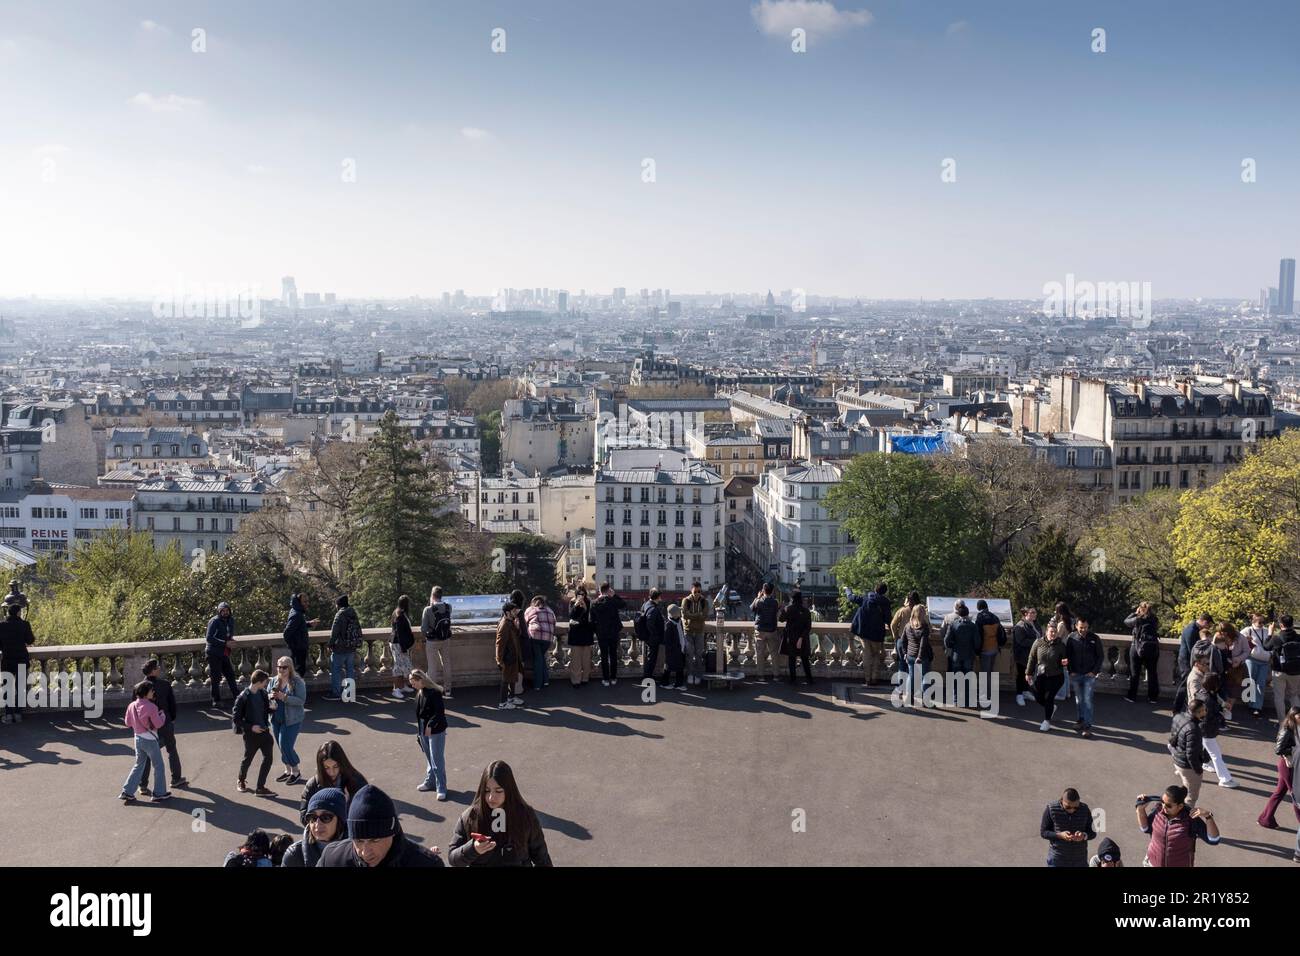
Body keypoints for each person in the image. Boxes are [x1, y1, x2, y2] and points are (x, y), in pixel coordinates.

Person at [448, 760, 552, 866]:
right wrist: (473, 849)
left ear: (509, 790)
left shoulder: (525, 816)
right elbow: (453, 858)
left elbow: (541, 858)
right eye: (487, 790)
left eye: (498, 791)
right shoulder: (470, 817)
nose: (491, 797)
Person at [316, 784, 444, 867]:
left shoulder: (427, 864)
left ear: (392, 832)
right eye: (359, 841)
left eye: (374, 840)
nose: (365, 852)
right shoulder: (332, 859)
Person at [1136, 786, 1220, 867]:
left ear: (1180, 806)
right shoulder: (1157, 812)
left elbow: (1213, 840)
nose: (1164, 807)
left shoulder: (1190, 819)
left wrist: (1208, 817)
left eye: (1169, 805)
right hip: (1152, 863)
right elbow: (1145, 829)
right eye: (1162, 802)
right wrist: (1140, 809)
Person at [118, 680, 171, 803]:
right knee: (158, 766)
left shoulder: (131, 705)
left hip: (138, 738)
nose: (153, 692)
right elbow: (158, 724)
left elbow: (127, 723)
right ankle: (159, 793)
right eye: (152, 690)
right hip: (150, 739)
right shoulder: (152, 707)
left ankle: (127, 791)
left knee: (139, 765)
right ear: (146, 692)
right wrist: (162, 715)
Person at [137, 660, 186, 794]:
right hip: (164, 723)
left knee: (146, 755)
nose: (159, 668)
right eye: (157, 667)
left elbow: (135, 708)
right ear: (153, 671)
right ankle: (176, 778)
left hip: (146, 727)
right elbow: (172, 705)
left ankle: (142, 785)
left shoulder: (138, 687)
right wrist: (172, 719)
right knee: (171, 749)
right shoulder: (164, 685)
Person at [233, 669, 276, 797]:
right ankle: (241, 780)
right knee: (248, 759)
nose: (266, 685)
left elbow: (265, 710)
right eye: (265, 682)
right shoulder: (243, 697)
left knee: (268, 759)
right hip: (251, 735)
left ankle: (260, 787)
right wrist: (251, 727)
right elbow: (236, 719)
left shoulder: (262, 693)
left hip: (264, 732)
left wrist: (272, 709)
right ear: (259, 682)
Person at [1258, 706, 1300, 833]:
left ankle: (1265, 819)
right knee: (1296, 795)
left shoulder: (1296, 727)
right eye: (1299, 715)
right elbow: (1278, 749)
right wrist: (1292, 751)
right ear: (1292, 716)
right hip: (1287, 765)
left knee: (1279, 792)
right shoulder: (1287, 729)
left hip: (1293, 764)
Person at [283, 787, 347, 867]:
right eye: (312, 817)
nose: (317, 824)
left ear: (340, 820)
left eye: (326, 817)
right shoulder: (294, 854)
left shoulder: (360, 850)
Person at [409, 668, 448, 799]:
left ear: (421, 680)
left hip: (435, 729)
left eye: (413, 682)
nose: (412, 686)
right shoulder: (420, 692)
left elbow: (439, 712)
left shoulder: (434, 693)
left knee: (437, 759)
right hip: (422, 728)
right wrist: (419, 733)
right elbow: (419, 714)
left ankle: (441, 787)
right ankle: (430, 782)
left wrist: (430, 725)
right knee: (429, 758)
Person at [268, 656, 306, 785]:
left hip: (292, 719)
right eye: (279, 667)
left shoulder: (297, 682)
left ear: (290, 668)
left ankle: (296, 771)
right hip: (275, 718)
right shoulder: (273, 680)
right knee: (281, 746)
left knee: (285, 745)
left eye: (284, 667)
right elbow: (266, 694)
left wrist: (285, 697)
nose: (281, 669)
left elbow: (301, 700)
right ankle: (287, 770)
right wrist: (270, 696)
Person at [1196, 673, 1238, 789]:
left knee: (1199, 749)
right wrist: (1222, 713)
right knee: (1216, 755)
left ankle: (1185, 767)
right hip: (1207, 729)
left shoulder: (1202, 693)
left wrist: (1221, 707)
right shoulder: (1209, 699)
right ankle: (1225, 779)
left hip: (1202, 728)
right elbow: (1210, 716)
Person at [300, 740, 368, 812]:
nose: (332, 772)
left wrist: (346, 805)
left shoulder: (357, 781)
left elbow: (365, 814)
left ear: (342, 763)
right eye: (326, 768)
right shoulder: (313, 785)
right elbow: (304, 815)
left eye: (335, 766)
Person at [1025, 620, 1069, 732]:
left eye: (1055, 632)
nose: (1053, 634)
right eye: (1051, 631)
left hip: (1056, 676)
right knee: (1038, 698)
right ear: (1046, 632)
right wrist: (1028, 673)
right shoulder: (1038, 642)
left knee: (1049, 698)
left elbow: (1065, 659)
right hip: (1041, 675)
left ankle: (1046, 721)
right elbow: (1032, 658)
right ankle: (1051, 708)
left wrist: (1064, 662)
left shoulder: (1061, 645)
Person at [1066, 613, 1104, 739]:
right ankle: (1080, 720)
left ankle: (1087, 727)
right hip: (1076, 674)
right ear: (1076, 626)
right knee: (1079, 700)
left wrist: (1094, 672)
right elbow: (1067, 656)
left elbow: (1100, 657)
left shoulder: (1095, 638)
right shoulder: (1071, 638)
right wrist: (1070, 670)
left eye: (1086, 627)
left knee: (1087, 700)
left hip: (1089, 675)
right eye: (1081, 627)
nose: (1083, 630)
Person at [1040, 787, 1097, 867]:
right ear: (1061, 800)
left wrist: (1083, 836)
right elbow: (1044, 832)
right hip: (1058, 859)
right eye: (1068, 807)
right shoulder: (1051, 809)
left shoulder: (1084, 809)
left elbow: (1093, 833)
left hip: (1079, 859)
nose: (1072, 810)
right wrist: (1059, 835)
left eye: (1076, 807)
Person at [847, 583, 890, 686]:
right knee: (876, 656)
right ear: (885, 592)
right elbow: (888, 619)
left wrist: (848, 590)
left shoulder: (866, 599)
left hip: (865, 633)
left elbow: (851, 598)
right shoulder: (885, 602)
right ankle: (874, 678)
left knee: (866, 656)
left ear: (875, 589)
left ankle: (867, 679)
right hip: (878, 634)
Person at [1169, 698, 1208, 807]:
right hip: (1187, 766)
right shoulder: (1194, 729)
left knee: (1186, 786)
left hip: (1177, 759)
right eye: (1204, 710)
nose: (1206, 711)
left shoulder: (1178, 716)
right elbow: (1191, 755)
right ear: (1198, 712)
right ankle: (1185, 819)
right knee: (1191, 796)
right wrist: (1198, 770)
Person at [0, 602, 34, 723]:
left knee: (7, 688)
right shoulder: (24, 624)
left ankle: (9, 714)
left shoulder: (2, 625)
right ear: (19, 612)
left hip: (7, 661)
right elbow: (30, 640)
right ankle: (18, 713)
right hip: (21, 659)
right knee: (20, 688)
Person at [326, 595, 362, 701]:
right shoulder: (352, 613)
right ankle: (349, 693)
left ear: (339, 604)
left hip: (340, 647)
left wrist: (330, 644)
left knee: (336, 670)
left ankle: (336, 693)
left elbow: (334, 632)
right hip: (351, 646)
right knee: (350, 670)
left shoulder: (339, 614)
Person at [1123, 602, 1161, 703]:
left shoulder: (1138, 619)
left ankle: (1132, 696)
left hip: (1137, 648)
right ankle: (1152, 697)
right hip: (1153, 649)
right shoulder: (1154, 619)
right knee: (1152, 673)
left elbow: (1126, 621)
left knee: (1135, 673)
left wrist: (1135, 613)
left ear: (1140, 608)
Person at [590, 582, 626, 686]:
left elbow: (592, 620)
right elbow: (623, 604)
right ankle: (613, 678)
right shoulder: (613, 601)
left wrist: (596, 631)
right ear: (609, 590)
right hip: (613, 632)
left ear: (599, 591)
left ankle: (606, 679)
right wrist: (614, 595)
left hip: (602, 633)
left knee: (604, 656)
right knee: (613, 655)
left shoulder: (595, 603)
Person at [420, 585, 454, 697]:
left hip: (432, 641)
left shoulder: (428, 610)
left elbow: (424, 629)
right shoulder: (448, 607)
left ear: (432, 596)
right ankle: (448, 690)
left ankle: (431, 690)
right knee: (447, 664)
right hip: (445, 639)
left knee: (432, 667)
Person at [205, 600, 239, 708]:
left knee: (230, 675)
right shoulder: (214, 621)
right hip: (214, 653)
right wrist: (225, 643)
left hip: (224, 653)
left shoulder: (231, 621)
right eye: (222, 611)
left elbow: (228, 634)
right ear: (219, 612)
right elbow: (209, 638)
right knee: (216, 678)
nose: (225, 612)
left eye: (227, 610)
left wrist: (231, 640)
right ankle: (216, 700)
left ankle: (238, 697)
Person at [1267, 615, 1300, 724]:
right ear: (1292, 624)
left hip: (1279, 671)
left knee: (1279, 697)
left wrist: (1269, 633)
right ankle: (1297, 721)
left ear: (1281, 625)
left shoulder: (1277, 638)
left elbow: (1266, 647)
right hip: (1296, 671)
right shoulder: (1298, 637)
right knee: (1294, 695)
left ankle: (1282, 722)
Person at [282, 593, 319, 685]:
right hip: (298, 650)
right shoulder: (297, 614)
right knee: (298, 674)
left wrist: (309, 624)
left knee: (297, 674)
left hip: (299, 648)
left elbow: (298, 625)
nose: (307, 603)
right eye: (304, 602)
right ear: (299, 602)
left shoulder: (296, 611)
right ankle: (296, 695)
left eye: (308, 601)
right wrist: (294, 646)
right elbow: (286, 633)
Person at [495, 596, 525, 710]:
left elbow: (515, 636)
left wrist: (517, 627)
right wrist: (499, 660)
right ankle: (502, 703)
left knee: (512, 677)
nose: (515, 612)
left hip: (512, 655)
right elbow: (499, 644)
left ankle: (511, 698)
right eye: (513, 611)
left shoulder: (510, 622)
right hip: (507, 657)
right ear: (507, 612)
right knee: (505, 680)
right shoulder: (504, 625)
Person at [1241, 612, 1273, 720]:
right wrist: (1247, 641)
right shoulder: (1247, 630)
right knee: (1251, 682)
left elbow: (1271, 643)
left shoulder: (1266, 631)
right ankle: (1250, 704)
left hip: (1264, 660)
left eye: (1263, 622)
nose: (1262, 624)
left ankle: (1257, 707)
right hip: (1252, 659)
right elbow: (1239, 641)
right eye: (1260, 622)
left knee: (1261, 684)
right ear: (1253, 621)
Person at [899, 604, 933, 706]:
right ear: (922, 614)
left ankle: (909, 698)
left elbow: (903, 641)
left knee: (911, 676)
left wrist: (905, 653)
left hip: (910, 655)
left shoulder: (908, 625)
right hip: (922, 657)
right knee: (925, 677)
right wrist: (920, 657)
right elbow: (923, 644)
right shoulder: (924, 627)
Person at [779, 590, 814, 686]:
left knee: (792, 659)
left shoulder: (788, 609)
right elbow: (808, 627)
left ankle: (793, 679)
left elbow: (781, 619)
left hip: (791, 637)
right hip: (803, 638)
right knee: (805, 659)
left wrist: (782, 609)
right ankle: (809, 679)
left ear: (792, 599)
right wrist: (801, 638)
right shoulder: (806, 611)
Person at [1215, 622, 1248, 720]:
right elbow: (1214, 647)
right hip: (1223, 666)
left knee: (1234, 690)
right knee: (1222, 689)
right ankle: (1221, 711)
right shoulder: (1218, 636)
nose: (1223, 635)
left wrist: (1238, 659)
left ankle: (1228, 710)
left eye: (1225, 633)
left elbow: (1247, 651)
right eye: (1221, 633)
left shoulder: (1241, 637)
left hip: (1236, 667)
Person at [523, 595, 556, 692]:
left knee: (537, 659)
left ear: (533, 603)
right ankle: (545, 681)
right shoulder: (550, 610)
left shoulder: (530, 609)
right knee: (541, 657)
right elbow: (554, 622)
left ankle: (537, 684)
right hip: (548, 638)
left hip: (535, 636)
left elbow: (524, 622)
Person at [681, 581, 710, 687]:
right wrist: (698, 615)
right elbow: (685, 614)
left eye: (699, 591)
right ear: (691, 590)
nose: (697, 593)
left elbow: (705, 615)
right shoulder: (686, 601)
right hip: (688, 631)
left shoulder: (704, 601)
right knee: (689, 654)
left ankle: (698, 675)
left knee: (698, 655)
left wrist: (692, 616)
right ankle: (690, 674)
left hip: (699, 631)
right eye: (695, 591)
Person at [751, 582, 782, 681]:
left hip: (760, 630)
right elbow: (778, 610)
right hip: (772, 630)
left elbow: (751, 608)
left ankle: (760, 676)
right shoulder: (775, 602)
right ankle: (776, 675)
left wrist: (757, 597)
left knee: (759, 653)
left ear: (763, 590)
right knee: (774, 653)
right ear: (772, 591)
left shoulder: (759, 601)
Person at [941, 601, 979, 681]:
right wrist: (975, 651)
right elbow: (977, 642)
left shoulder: (953, 624)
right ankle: (967, 693)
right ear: (968, 614)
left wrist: (950, 647)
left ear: (959, 614)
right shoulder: (973, 626)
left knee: (956, 678)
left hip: (956, 654)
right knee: (967, 678)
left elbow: (946, 640)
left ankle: (956, 693)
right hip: (969, 654)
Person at [1012, 607, 1041, 708]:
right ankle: (1019, 694)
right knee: (1021, 674)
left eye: (1035, 612)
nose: (1034, 614)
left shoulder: (1035, 623)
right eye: (1032, 612)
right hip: (1022, 655)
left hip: (1033, 655)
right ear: (1025, 614)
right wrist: (1036, 641)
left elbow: (1040, 634)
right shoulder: (1020, 626)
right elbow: (1021, 641)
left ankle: (1025, 691)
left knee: (1030, 674)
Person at [567, 586, 595, 687]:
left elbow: (590, 617)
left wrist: (585, 608)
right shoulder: (572, 602)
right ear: (576, 594)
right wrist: (576, 605)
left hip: (586, 633)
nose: (581, 596)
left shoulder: (589, 602)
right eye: (579, 594)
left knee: (586, 659)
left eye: (583, 594)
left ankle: (585, 678)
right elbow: (571, 616)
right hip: (576, 634)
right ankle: (576, 680)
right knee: (576, 660)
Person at [1176, 612, 1214, 688]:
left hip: (1189, 659)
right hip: (1186, 660)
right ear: (1205, 622)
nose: (1208, 628)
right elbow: (1192, 649)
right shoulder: (1191, 630)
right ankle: (1178, 700)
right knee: (1185, 683)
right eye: (1208, 625)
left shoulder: (1194, 628)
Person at [639, 588, 668, 681]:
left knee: (650, 658)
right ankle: (648, 677)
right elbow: (650, 622)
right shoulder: (653, 608)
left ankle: (648, 676)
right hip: (652, 638)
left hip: (647, 636)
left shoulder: (646, 604)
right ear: (658, 597)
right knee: (652, 658)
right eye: (660, 596)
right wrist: (655, 635)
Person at [390, 595, 415, 700]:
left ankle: (402, 686)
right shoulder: (400, 615)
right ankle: (396, 689)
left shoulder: (398, 612)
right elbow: (400, 633)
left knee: (402, 666)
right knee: (398, 667)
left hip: (398, 643)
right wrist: (404, 648)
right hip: (398, 644)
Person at [974, 599, 1006, 679]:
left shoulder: (979, 617)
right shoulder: (994, 617)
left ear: (978, 607)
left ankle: (985, 691)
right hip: (994, 648)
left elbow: (978, 636)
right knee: (991, 671)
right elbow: (1000, 632)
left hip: (985, 650)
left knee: (984, 674)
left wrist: (977, 650)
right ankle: (992, 691)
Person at [661, 605, 688, 690]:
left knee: (677, 667)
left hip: (680, 648)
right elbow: (667, 641)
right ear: (675, 614)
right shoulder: (669, 625)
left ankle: (676, 683)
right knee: (671, 667)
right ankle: (670, 683)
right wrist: (674, 649)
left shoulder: (678, 622)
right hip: (674, 650)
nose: (680, 613)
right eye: (679, 612)